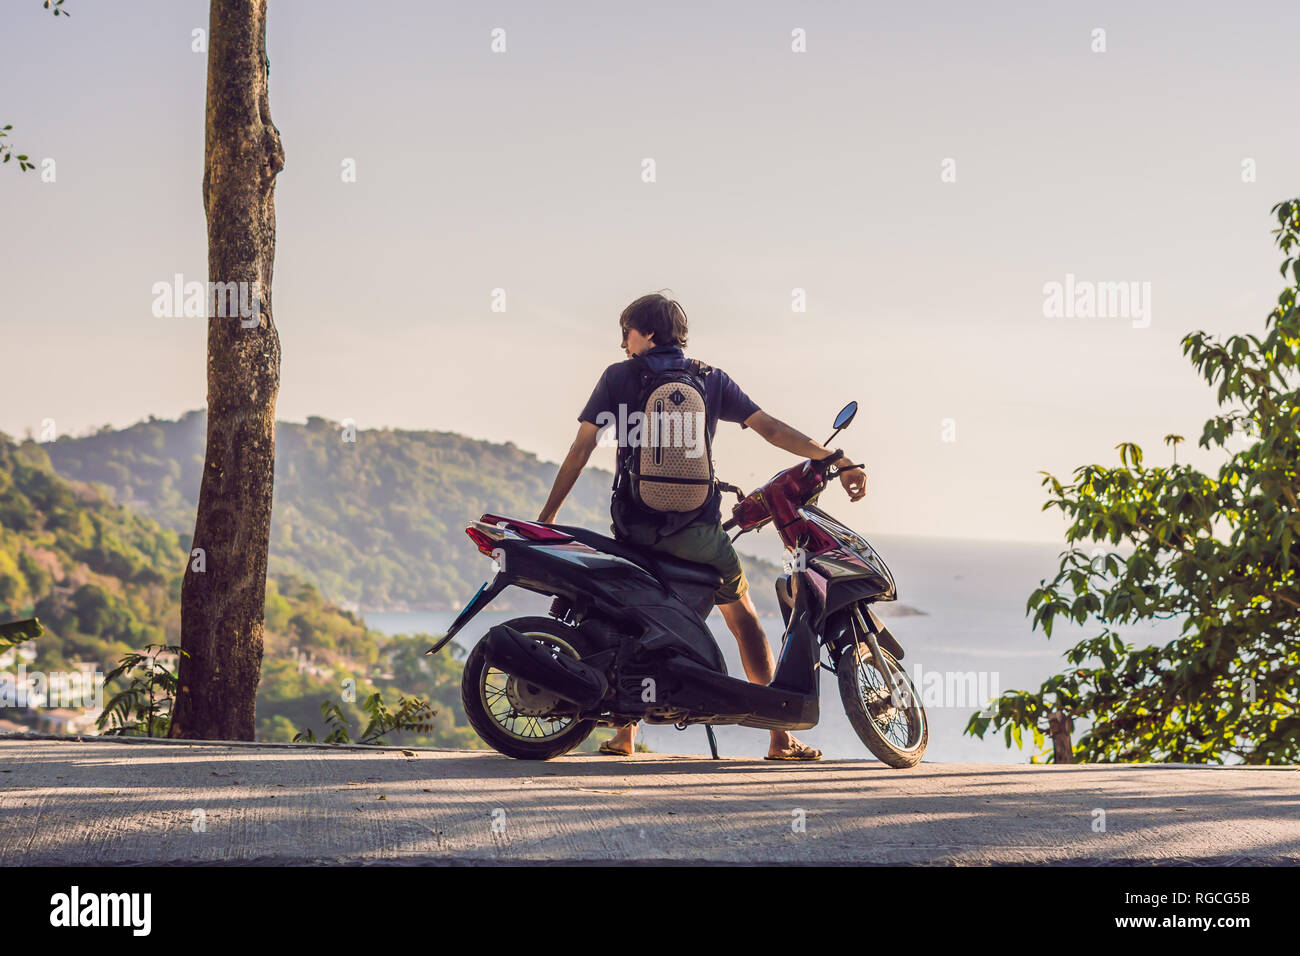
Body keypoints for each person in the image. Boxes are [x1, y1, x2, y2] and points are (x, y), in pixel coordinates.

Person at [537, 293, 866, 759]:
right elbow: (772, 429)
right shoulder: (710, 380)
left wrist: (548, 515)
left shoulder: (618, 378)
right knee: (743, 615)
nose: (622, 342)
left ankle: (624, 736)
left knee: (632, 616)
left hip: (633, 528)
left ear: (648, 333)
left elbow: (580, 449)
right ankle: (778, 736)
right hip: (698, 534)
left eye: (626, 332)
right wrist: (838, 457)